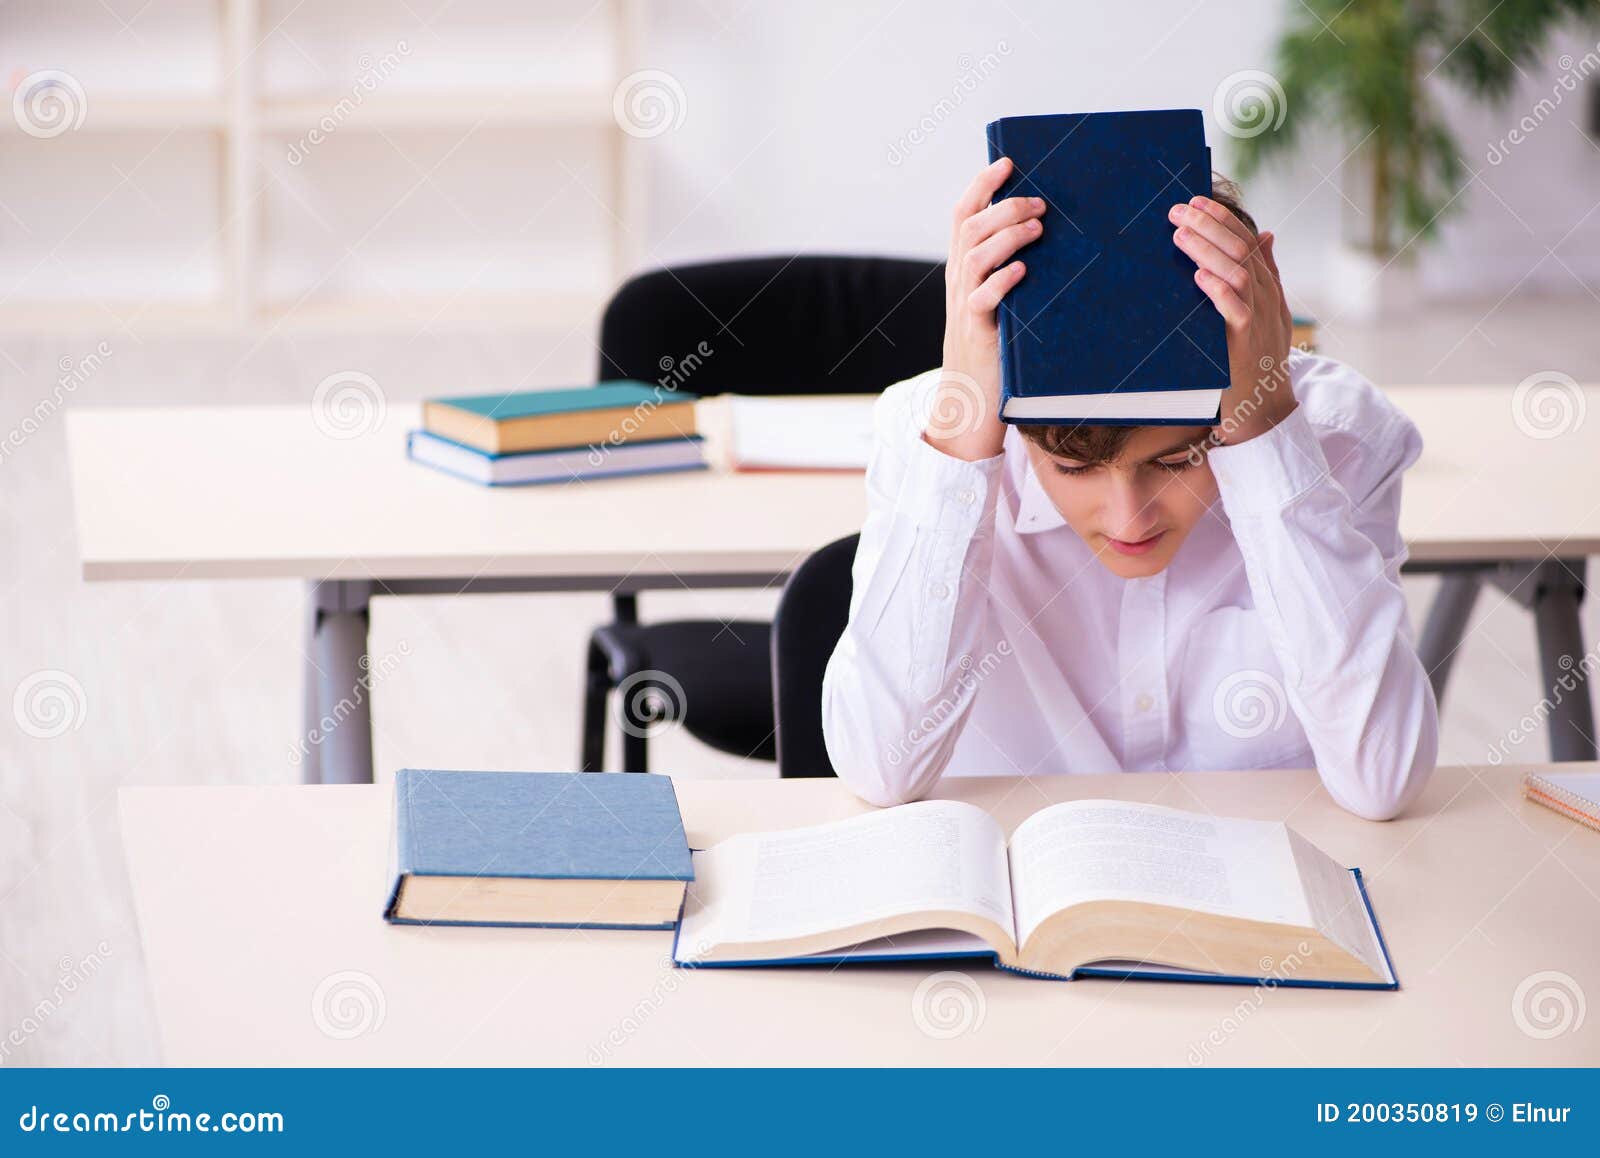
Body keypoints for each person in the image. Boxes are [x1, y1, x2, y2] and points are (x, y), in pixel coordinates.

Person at [821, 156, 1438, 820]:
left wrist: (1260, 425)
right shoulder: (935, 437)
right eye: (1074, 468)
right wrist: (964, 428)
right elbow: (880, 769)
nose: (1129, 518)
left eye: (1177, 460)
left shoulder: (1342, 439)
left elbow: (1383, 779)